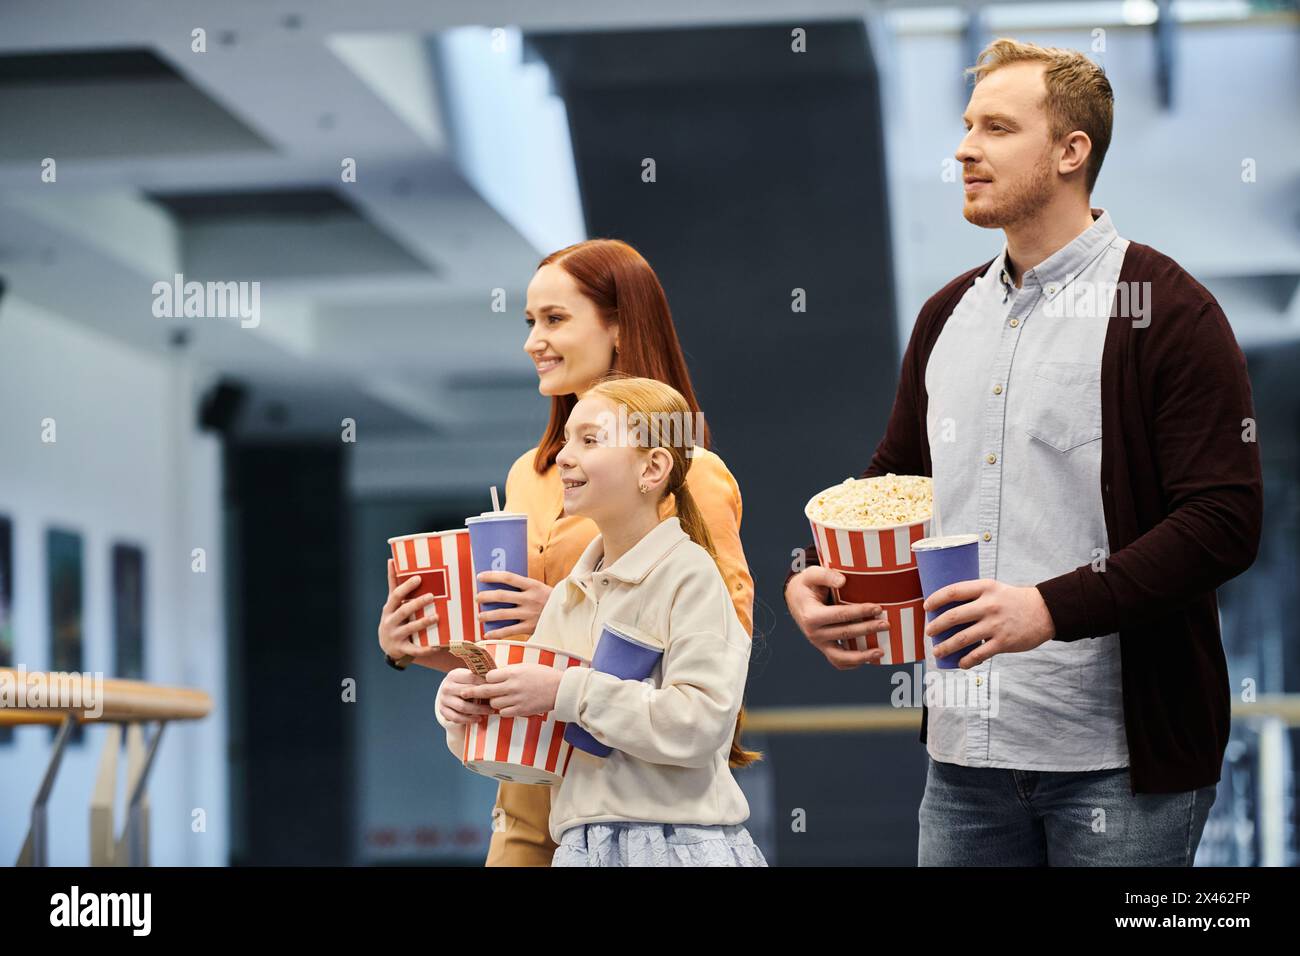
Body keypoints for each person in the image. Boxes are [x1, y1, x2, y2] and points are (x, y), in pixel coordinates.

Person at [784, 38, 1262, 866]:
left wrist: (1048, 608)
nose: (964, 149)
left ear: (1072, 152)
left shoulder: (1167, 311)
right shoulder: (944, 317)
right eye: (967, 126)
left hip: (1122, 767)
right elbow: (892, 484)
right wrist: (816, 574)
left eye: (997, 128)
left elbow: (1224, 521)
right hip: (963, 758)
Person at [377, 238, 755, 865]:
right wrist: (417, 646)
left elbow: (721, 644)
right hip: (531, 790)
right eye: (530, 322)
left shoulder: (690, 474)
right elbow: (515, 651)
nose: (533, 341)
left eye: (555, 319)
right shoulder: (529, 472)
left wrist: (570, 616)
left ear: (618, 327)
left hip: (635, 800)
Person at [436, 375, 766, 866]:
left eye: (589, 440)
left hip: (681, 846)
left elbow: (699, 725)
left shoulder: (690, 575)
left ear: (652, 468)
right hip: (580, 849)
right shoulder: (569, 593)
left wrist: (563, 690)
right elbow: (536, 751)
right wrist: (468, 712)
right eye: (568, 439)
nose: (563, 456)